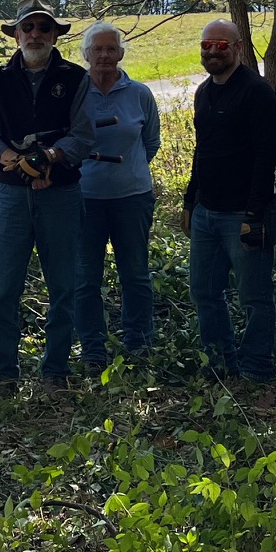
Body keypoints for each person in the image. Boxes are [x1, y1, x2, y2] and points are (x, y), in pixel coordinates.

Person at [0, 0, 92, 390]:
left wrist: (50, 157)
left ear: (56, 33)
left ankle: (55, 371)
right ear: (16, 34)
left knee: (64, 287)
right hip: (9, 197)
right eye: (28, 27)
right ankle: (4, 373)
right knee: (2, 289)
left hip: (61, 195)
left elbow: (84, 134)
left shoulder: (76, 78)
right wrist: (7, 155)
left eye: (44, 27)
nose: (36, 34)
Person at [183, 20, 276, 395]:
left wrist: (255, 214)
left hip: (245, 212)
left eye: (221, 44)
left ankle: (257, 370)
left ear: (239, 48)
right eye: (206, 44)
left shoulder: (258, 93)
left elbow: (266, 155)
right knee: (204, 291)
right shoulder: (204, 92)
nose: (212, 51)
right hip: (207, 212)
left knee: (254, 297)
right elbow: (202, 150)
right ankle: (221, 364)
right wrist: (192, 200)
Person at [72, 22, 160, 368]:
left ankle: (139, 344)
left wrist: (127, 171)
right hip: (84, 199)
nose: (105, 55)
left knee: (135, 273)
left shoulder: (139, 94)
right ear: (86, 55)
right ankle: (92, 347)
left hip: (132, 197)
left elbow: (150, 142)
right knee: (85, 276)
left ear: (121, 54)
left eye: (111, 49)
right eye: (98, 50)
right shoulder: (76, 93)